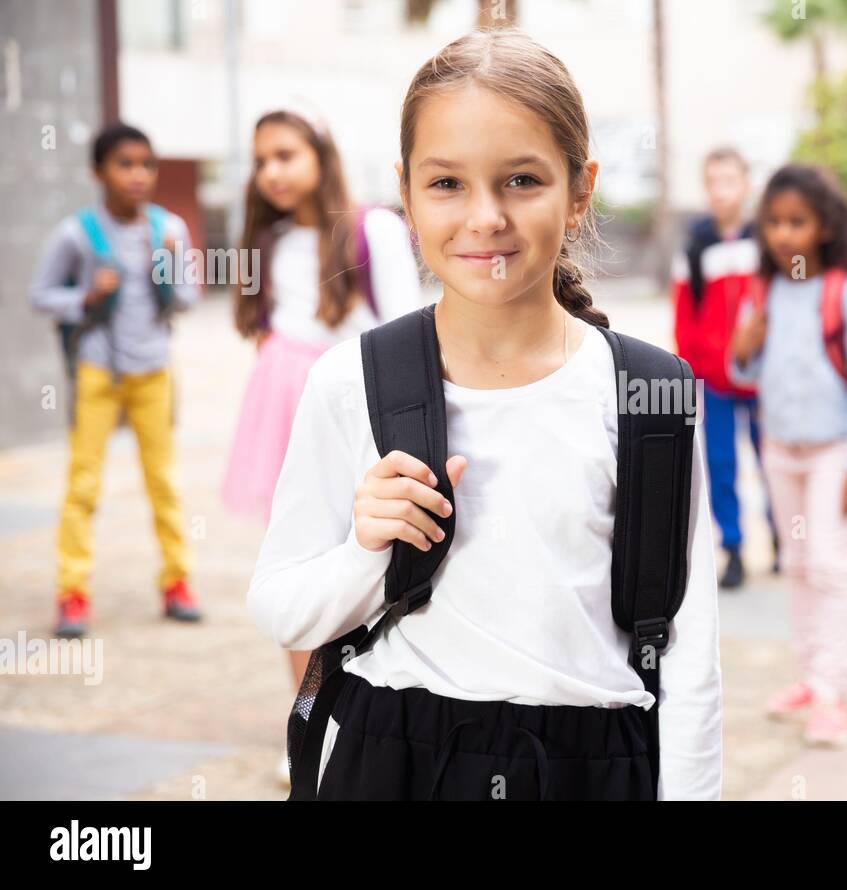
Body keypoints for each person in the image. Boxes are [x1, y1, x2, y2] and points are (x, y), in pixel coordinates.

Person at [246, 28, 722, 800]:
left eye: (522, 180)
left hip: (594, 768)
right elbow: (283, 608)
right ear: (404, 193)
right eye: (446, 185)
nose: (485, 217)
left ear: (580, 190)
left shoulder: (652, 393)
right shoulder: (351, 382)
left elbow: (691, 658)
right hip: (392, 762)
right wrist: (369, 547)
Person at [221, 108, 424, 786]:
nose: (271, 171)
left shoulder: (373, 232)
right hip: (282, 415)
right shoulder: (270, 243)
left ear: (320, 153)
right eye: (261, 160)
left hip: (358, 422)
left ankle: (372, 715)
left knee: (372, 575)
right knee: (299, 573)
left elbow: (405, 332)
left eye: (285, 154)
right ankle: (306, 717)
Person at [729, 163, 847, 747]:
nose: (783, 234)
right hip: (779, 450)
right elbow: (740, 370)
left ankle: (831, 693)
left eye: (797, 222)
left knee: (828, 564)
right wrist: (742, 350)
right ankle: (808, 675)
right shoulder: (765, 290)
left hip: (833, 453)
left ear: (824, 225)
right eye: (773, 222)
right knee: (796, 565)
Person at [29, 123, 203, 638]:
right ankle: (72, 592)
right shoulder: (76, 233)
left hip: (153, 371)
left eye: (146, 164)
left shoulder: (168, 228)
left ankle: (177, 582)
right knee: (83, 485)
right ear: (98, 172)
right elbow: (40, 294)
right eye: (124, 164)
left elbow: (190, 299)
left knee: (164, 482)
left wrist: (169, 270)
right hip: (97, 373)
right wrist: (83, 296)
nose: (138, 175)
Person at [671, 147, 774, 589]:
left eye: (730, 181)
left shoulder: (767, 241)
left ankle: (783, 536)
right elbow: (683, 319)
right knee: (720, 462)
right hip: (714, 382)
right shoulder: (695, 249)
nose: (721, 191)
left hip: (766, 380)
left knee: (773, 458)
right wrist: (693, 371)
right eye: (713, 182)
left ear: (747, 184)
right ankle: (732, 547)